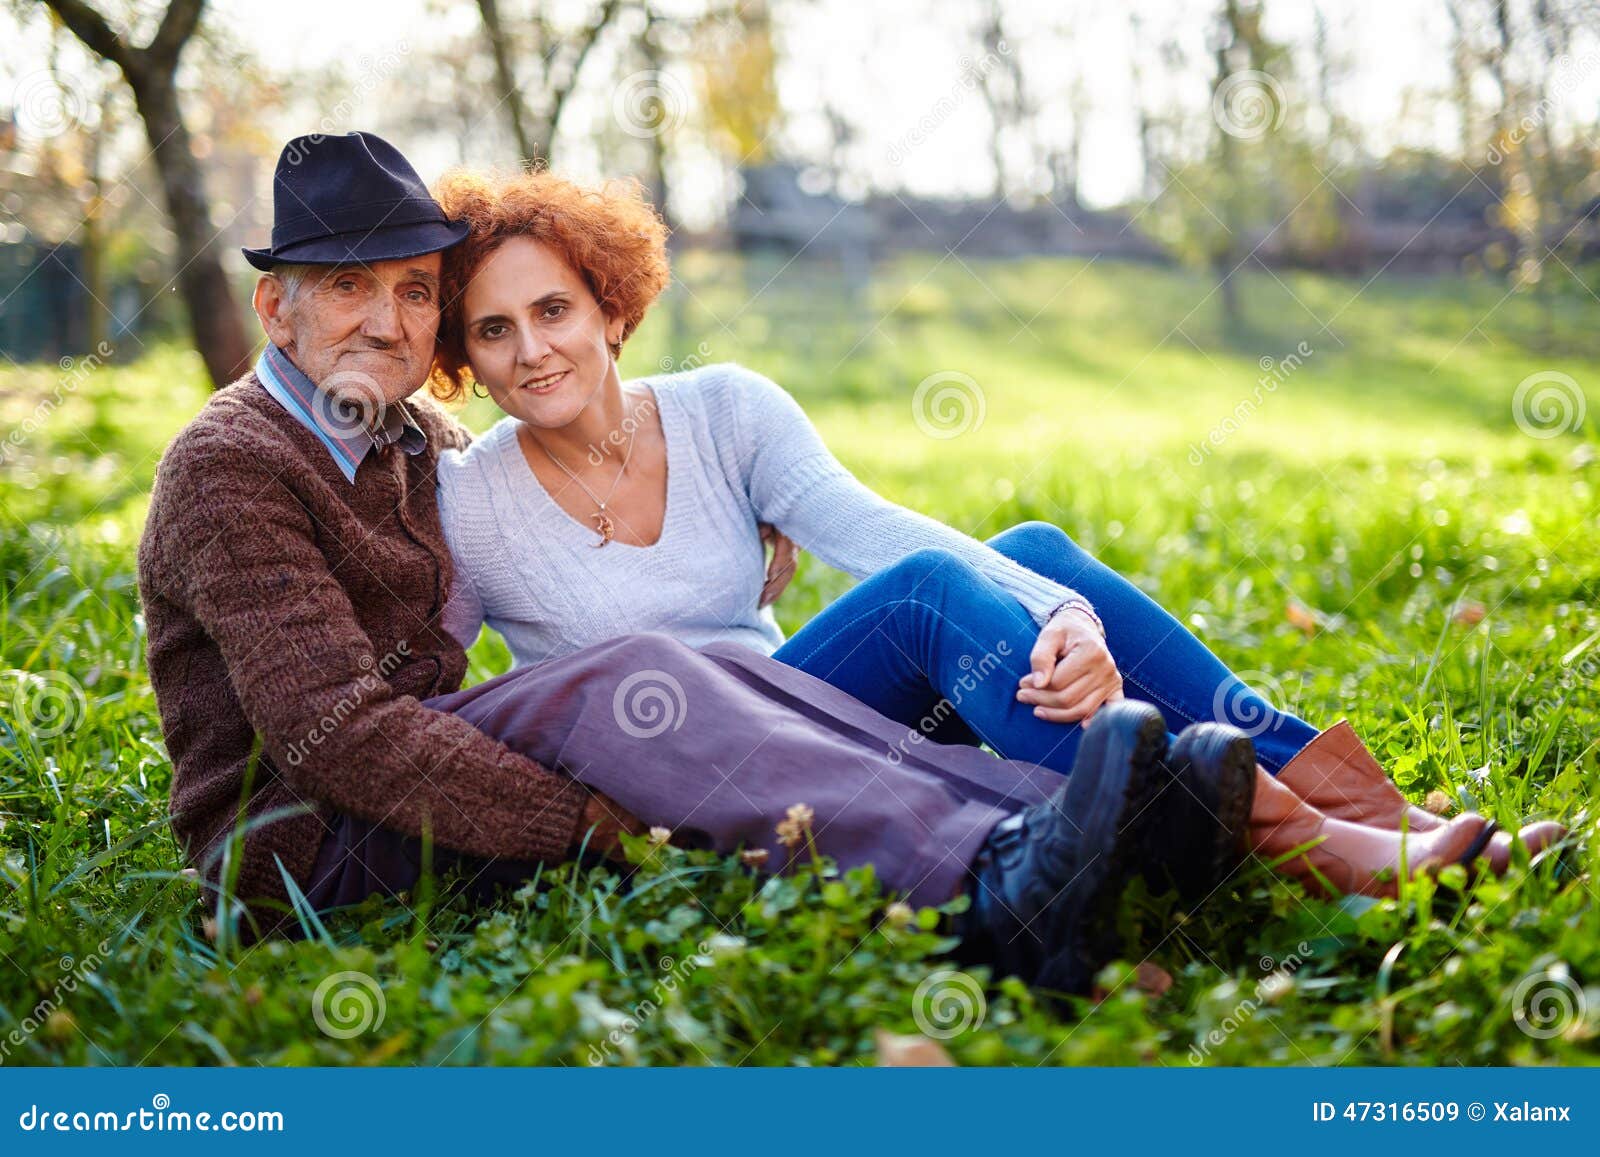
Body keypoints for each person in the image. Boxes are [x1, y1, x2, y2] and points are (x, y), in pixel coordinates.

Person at [135, 131, 1245, 996]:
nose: (387, 321)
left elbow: (538, 502)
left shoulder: (412, 440)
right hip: (303, 846)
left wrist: (737, 515)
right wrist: (582, 818)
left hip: (433, 771)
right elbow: (342, 735)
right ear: (274, 307)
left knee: (680, 662)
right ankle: (994, 887)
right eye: (345, 287)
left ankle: (1111, 827)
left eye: (414, 289)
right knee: (634, 673)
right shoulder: (230, 467)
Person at [428, 167, 1566, 899]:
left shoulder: (726, 409)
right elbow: (429, 691)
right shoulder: (472, 500)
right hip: (703, 777)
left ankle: (1362, 806)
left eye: (554, 310)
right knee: (936, 591)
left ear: (612, 310)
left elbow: (867, 526)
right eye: (492, 329)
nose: (531, 350)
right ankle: (1297, 841)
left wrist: (1056, 613)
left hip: (814, 711)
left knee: (1031, 551)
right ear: (463, 360)